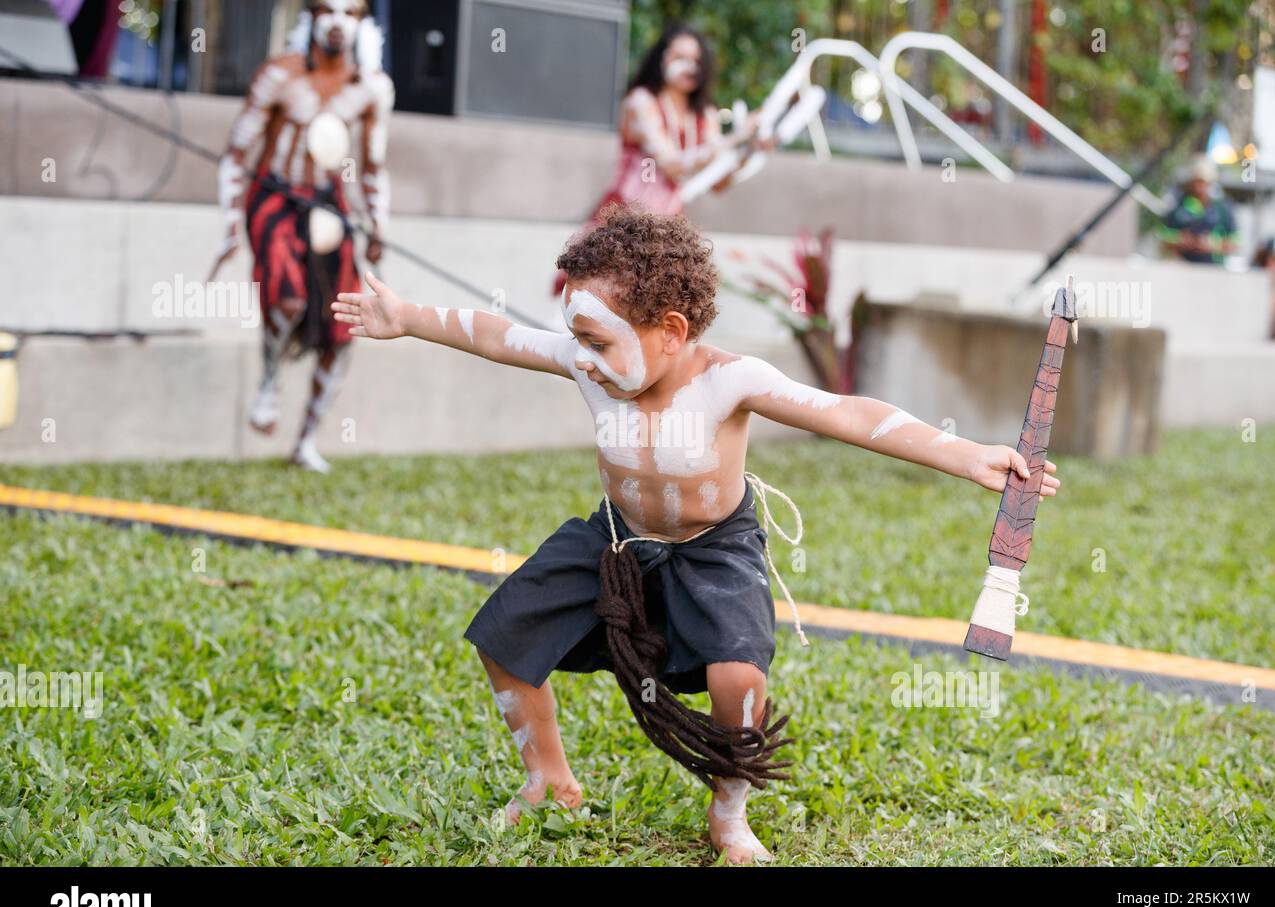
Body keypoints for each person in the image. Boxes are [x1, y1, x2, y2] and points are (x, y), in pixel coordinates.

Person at [332, 208, 1062, 864]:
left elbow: (848, 414)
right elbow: (495, 334)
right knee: (503, 638)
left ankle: (729, 812)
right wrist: (406, 317)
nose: (580, 354)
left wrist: (967, 455)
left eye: (595, 339)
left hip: (714, 547)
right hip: (617, 540)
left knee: (738, 675)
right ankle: (549, 782)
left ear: (672, 331)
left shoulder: (729, 381)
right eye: (576, 338)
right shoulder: (587, 366)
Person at [215, 1, 394, 472]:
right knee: (289, 298)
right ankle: (270, 379)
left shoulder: (372, 88)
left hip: (329, 202)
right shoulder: (279, 76)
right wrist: (230, 225)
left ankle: (305, 442)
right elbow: (235, 154)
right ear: (312, 18)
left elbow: (373, 167)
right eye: (327, 9)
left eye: (350, 12)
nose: (337, 21)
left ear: (361, 23)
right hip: (273, 196)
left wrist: (378, 225)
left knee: (346, 322)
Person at [552, 24, 766, 295]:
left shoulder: (705, 114)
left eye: (696, 61)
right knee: (597, 299)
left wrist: (749, 150)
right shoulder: (642, 101)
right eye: (679, 58)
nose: (688, 67)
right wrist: (734, 138)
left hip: (666, 232)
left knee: (648, 310)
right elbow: (673, 164)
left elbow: (716, 182)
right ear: (661, 60)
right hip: (623, 223)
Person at [1158, 156, 1239, 265]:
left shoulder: (1222, 209)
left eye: (1202, 182)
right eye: (1195, 182)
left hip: (1214, 271)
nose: (1198, 187)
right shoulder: (1177, 206)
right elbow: (1163, 241)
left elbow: (1234, 243)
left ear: (1210, 182)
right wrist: (1181, 241)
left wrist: (1211, 244)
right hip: (1182, 268)